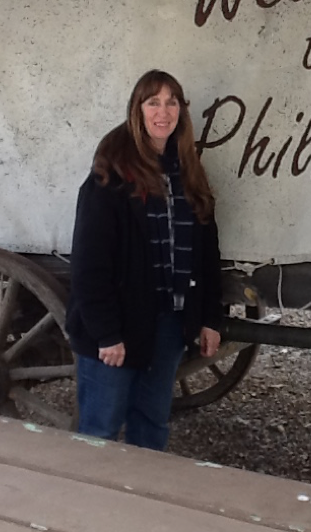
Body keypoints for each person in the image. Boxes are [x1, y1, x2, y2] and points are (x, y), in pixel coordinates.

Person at [66, 69, 223, 451]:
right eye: (153, 101)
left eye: (172, 102)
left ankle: (142, 505)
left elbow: (206, 253)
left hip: (168, 322)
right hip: (118, 324)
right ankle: (90, 507)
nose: (163, 112)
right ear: (137, 110)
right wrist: (107, 333)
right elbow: (89, 263)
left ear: (181, 112)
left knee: (151, 425)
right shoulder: (111, 174)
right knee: (101, 430)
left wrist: (210, 318)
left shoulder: (187, 171)